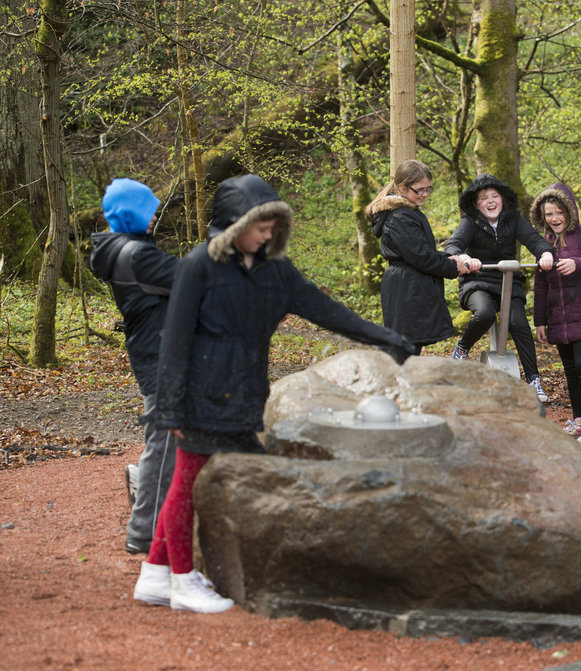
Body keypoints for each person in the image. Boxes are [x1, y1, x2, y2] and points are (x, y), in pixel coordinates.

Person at [132, 174, 414, 613]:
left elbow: (326, 310)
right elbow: (175, 343)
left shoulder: (276, 273)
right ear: (233, 223)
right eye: (260, 225)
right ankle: (182, 580)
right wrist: (170, 410)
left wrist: (385, 337)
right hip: (199, 399)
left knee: (205, 481)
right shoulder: (198, 266)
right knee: (185, 484)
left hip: (244, 397)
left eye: (272, 227)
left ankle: (155, 573)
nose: (267, 234)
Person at [90, 178, 179, 555]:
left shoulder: (124, 250)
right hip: (159, 358)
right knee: (165, 442)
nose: (156, 214)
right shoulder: (137, 256)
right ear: (132, 214)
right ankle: (143, 531)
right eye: (149, 209)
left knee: (174, 437)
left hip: (157, 352)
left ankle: (154, 499)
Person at [444, 174, 554, 401]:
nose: (491, 201)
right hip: (478, 278)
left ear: (503, 199)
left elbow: (534, 240)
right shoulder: (470, 222)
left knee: (518, 323)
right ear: (476, 204)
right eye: (484, 198)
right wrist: (463, 257)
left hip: (507, 279)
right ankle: (463, 348)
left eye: (495, 196)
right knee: (484, 313)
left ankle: (534, 380)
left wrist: (544, 253)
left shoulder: (512, 219)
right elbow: (453, 245)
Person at [530, 183, 581, 446]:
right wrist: (540, 320)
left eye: (558, 213)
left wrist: (578, 264)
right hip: (559, 316)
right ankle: (580, 421)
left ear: (569, 212)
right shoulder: (544, 244)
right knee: (570, 371)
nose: (554, 219)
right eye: (549, 214)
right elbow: (540, 284)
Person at [365, 160, 475, 352]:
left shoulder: (407, 213)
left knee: (409, 348)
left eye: (428, 189)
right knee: (403, 350)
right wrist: (453, 266)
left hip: (411, 285)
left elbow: (422, 252)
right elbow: (422, 256)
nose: (424, 194)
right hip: (406, 289)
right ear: (402, 187)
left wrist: (453, 260)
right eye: (419, 190)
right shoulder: (400, 217)